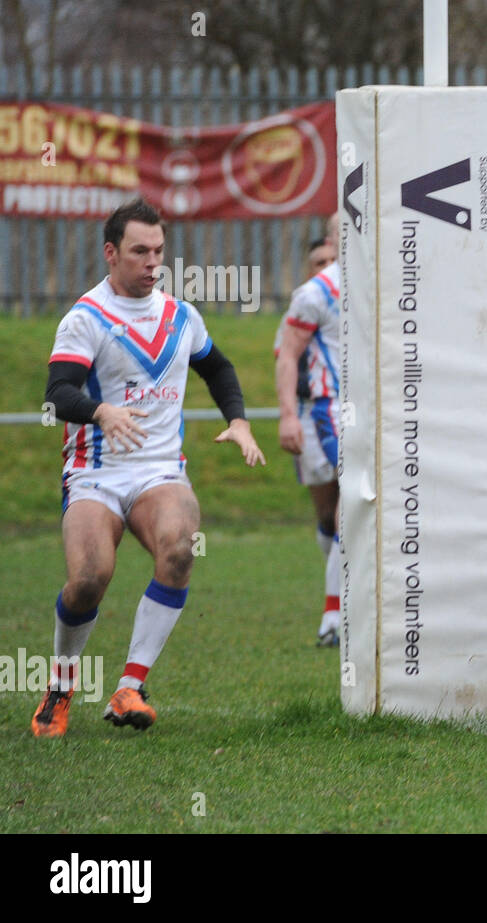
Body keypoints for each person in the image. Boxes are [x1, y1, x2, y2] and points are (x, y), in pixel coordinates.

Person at [32, 197, 266, 737]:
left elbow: (218, 366)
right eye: (139, 251)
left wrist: (240, 420)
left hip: (160, 470)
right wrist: (101, 410)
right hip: (95, 473)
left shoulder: (181, 316)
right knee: (89, 578)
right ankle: (61, 688)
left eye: (158, 251)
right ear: (111, 253)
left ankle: (130, 687)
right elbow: (58, 394)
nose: (151, 262)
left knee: (181, 547)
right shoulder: (85, 318)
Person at [276, 214, 343, 645]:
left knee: (352, 507)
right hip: (323, 410)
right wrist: (286, 414)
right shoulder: (316, 292)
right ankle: (339, 587)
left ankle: (335, 618)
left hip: (367, 410)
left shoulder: (393, 276)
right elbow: (286, 354)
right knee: (327, 513)